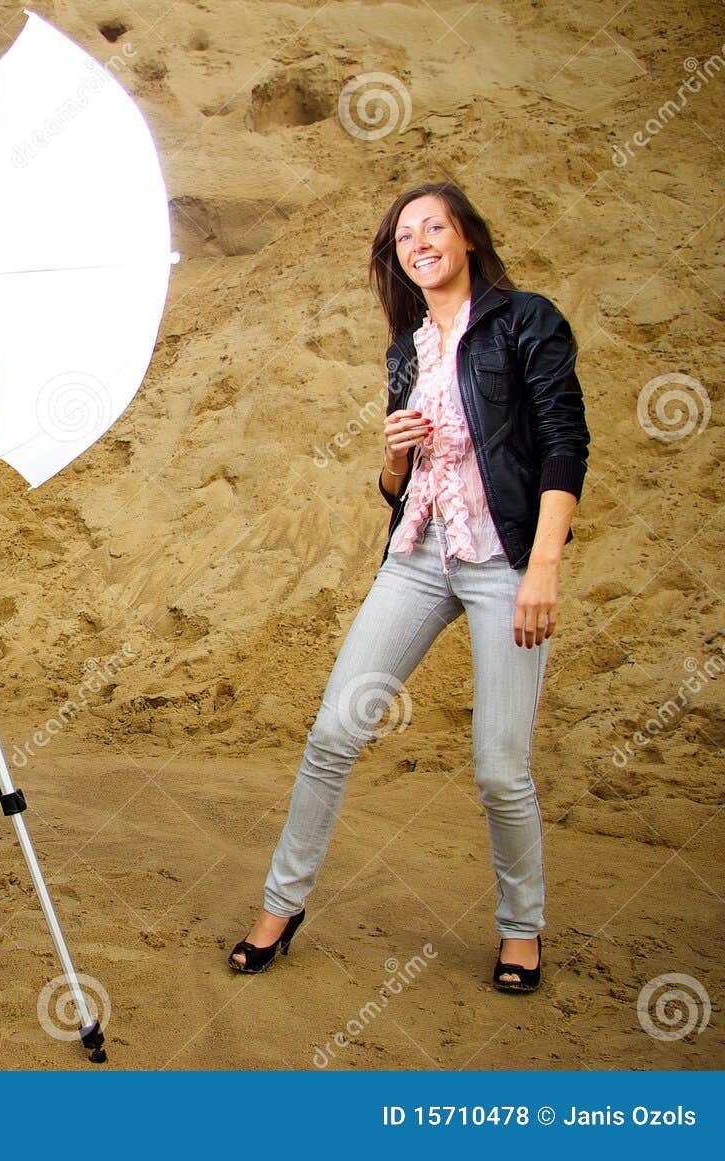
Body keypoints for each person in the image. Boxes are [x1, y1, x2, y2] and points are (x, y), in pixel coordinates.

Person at [227, 181, 590, 993]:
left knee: (500, 768)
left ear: (465, 237)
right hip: (420, 555)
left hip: (506, 560)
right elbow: (399, 486)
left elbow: (566, 442)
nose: (419, 242)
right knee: (332, 733)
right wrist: (393, 457)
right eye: (403, 237)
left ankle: (521, 928)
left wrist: (544, 565)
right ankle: (283, 905)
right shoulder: (407, 348)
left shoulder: (527, 320)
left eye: (434, 226)